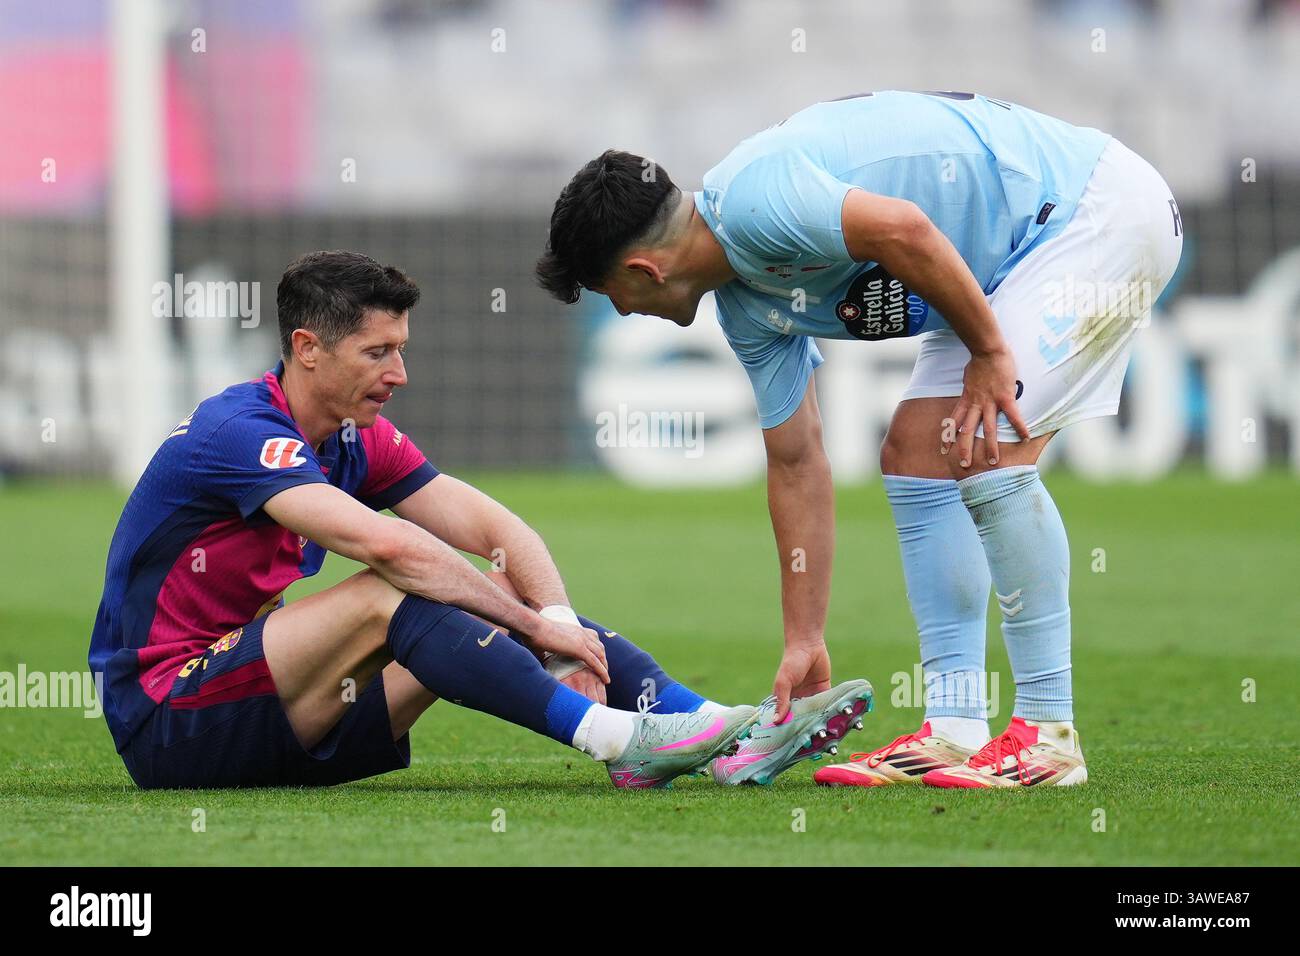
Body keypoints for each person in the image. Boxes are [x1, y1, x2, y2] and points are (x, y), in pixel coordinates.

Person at [536, 91, 1183, 788]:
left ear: (642, 271)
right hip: (1005, 263)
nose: (628, 312)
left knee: (986, 437)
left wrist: (991, 355)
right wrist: (804, 638)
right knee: (914, 451)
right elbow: (795, 460)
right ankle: (957, 727)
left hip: (1090, 214)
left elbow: (903, 229)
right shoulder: (748, 306)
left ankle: (1050, 735)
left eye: (614, 297)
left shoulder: (754, 199)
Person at [89, 249, 871, 790]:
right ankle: (614, 737)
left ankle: (721, 731)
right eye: (377, 353)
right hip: (171, 720)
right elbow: (387, 545)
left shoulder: (355, 436)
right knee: (393, 591)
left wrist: (554, 621)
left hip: (272, 718)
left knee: (483, 587)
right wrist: (531, 629)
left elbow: (499, 530)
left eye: (401, 347)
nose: (400, 373)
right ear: (307, 348)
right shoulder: (238, 432)